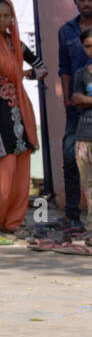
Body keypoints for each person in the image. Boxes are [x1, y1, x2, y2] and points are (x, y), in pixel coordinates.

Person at [0, 0, 46, 234]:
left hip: (20, 113)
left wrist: (23, 75)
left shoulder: (16, 43)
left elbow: (42, 69)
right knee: (0, 171)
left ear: (12, 17)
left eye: (6, 16)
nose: (2, 20)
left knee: (20, 172)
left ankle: (14, 222)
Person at [55, 0, 92, 230]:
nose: (87, 4)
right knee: (70, 157)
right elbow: (64, 69)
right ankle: (71, 214)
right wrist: (68, 100)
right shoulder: (66, 31)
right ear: (75, 1)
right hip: (76, 107)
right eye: (82, 0)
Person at [68, 29, 92, 216]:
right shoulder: (81, 73)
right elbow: (75, 98)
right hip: (84, 137)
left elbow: (80, 98)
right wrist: (81, 99)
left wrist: (86, 99)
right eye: (88, 46)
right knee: (88, 185)